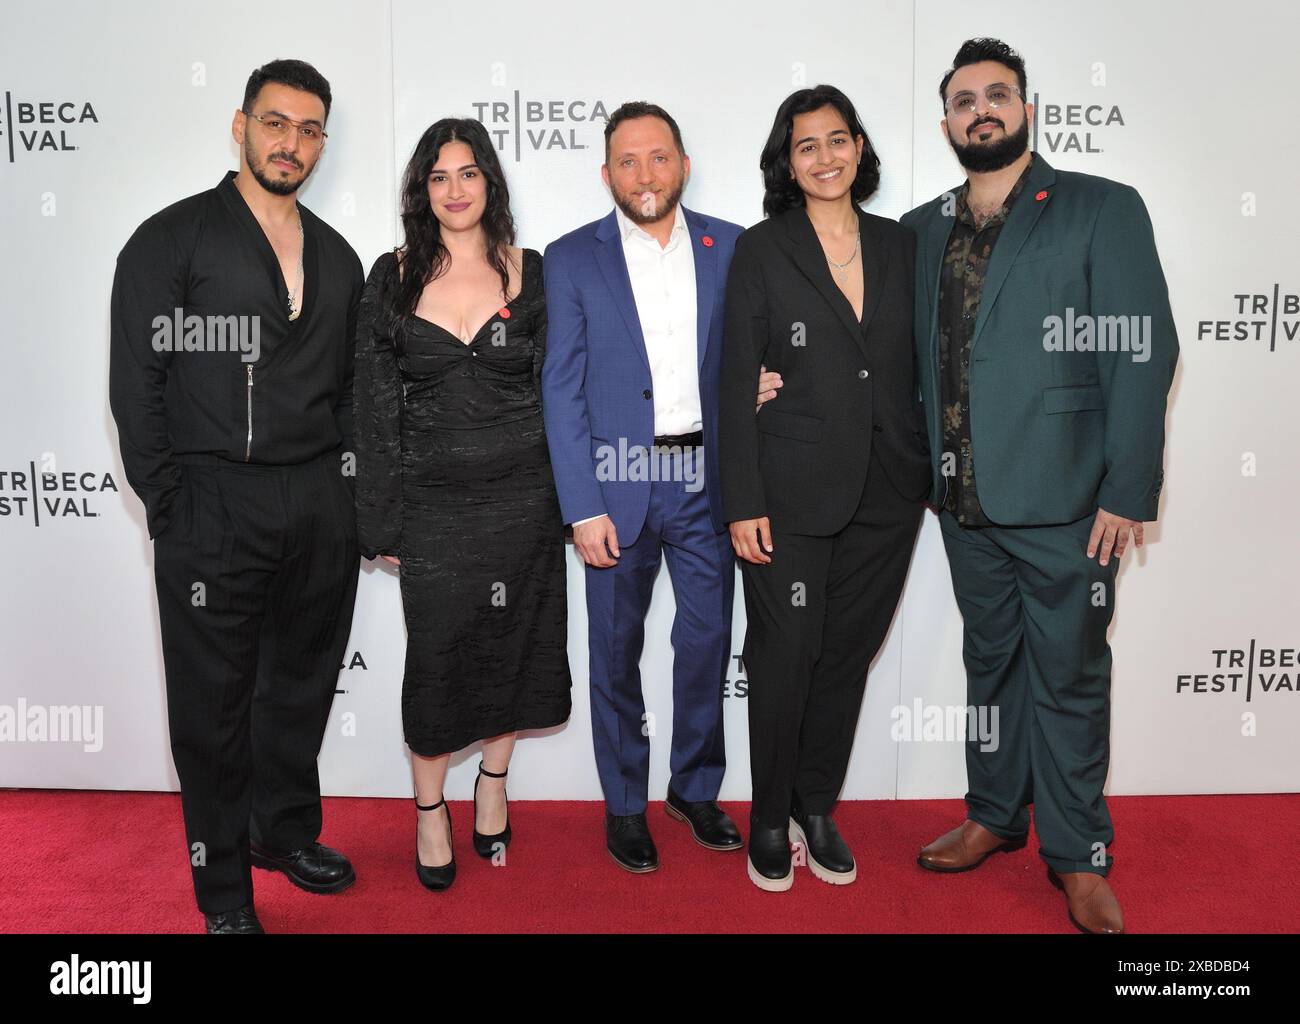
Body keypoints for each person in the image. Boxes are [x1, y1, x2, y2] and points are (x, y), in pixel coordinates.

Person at [901, 38, 1178, 933]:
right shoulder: (920, 226)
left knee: (1068, 676)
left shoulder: (1100, 207)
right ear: (944, 120)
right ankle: (993, 815)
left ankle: (1079, 855)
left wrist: (1128, 489)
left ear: (1027, 108)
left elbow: (1144, 349)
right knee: (993, 668)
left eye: (997, 95)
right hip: (962, 501)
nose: (981, 110)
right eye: (963, 100)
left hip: (1068, 501)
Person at [109, 59, 362, 934]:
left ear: (323, 141)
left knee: (298, 689)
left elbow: (353, 396)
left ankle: (282, 832)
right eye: (275, 123)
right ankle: (223, 895)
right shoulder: (169, 240)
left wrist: (350, 503)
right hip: (210, 507)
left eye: (309, 129)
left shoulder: (338, 255)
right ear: (241, 126)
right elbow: (135, 385)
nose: (291, 143)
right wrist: (169, 502)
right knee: (213, 714)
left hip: (317, 507)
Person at [543, 102, 776, 873]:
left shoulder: (733, 246)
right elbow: (562, 392)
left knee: (707, 642)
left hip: (707, 477)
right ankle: (623, 804)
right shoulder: (571, 258)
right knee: (615, 651)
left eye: (659, 158)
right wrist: (581, 505)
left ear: (683, 164)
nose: (645, 175)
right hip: (616, 484)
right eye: (628, 161)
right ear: (607, 172)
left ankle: (695, 787)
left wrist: (764, 382)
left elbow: (754, 351)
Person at [718, 85, 931, 892]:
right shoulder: (762, 249)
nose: (826, 156)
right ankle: (768, 816)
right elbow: (738, 378)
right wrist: (742, 500)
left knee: (844, 654)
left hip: (887, 491)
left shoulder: (902, 244)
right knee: (784, 655)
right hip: (788, 489)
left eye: (838, 139)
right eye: (807, 145)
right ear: (787, 161)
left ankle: (817, 806)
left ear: (859, 147)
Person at [353, 118, 572, 892]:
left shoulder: (533, 272)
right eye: (439, 176)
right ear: (422, 190)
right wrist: (380, 519)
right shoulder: (393, 274)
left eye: (469, 173)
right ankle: (427, 808)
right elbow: (373, 406)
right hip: (433, 510)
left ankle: (493, 786)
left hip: (526, 503)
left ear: (491, 183)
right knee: (438, 660)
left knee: (513, 644)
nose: (455, 189)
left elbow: (569, 390)